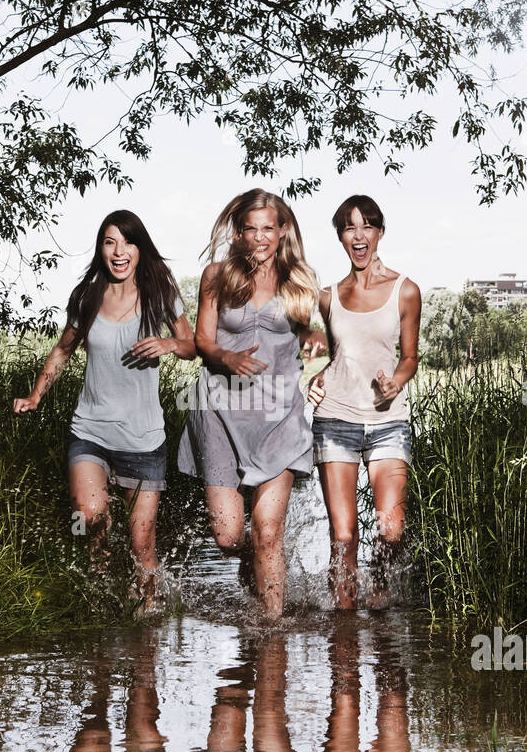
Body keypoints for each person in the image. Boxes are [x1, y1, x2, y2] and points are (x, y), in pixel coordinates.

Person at [14, 211, 195, 610]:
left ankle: (147, 622)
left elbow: (191, 345)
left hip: (143, 439)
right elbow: (63, 349)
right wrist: (36, 395)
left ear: (139, 249)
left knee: (141, 546)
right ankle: (101, 604)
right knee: (91, 515)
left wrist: (167, 344)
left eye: (127, 242)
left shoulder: (160, 293)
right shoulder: (87, 296)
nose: (119, 251)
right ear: (101, 249)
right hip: (91, 430)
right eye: (110, 242)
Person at [177, 188, 325, 619]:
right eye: (251, 229)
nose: (260, 238)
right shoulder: (216, 276)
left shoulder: (299, 280)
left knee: (267, 532)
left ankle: (271, 635)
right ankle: (249, 563)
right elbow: (202, 340)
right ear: (238, 233)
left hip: (280, 416)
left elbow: (303, 335)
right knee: (227, 536)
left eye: (268, 228)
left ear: (282, 230)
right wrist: (227, 357)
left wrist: (315, 338)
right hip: (220, 412)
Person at [307, 195, 421, 610]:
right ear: (341, 237)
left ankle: (378, 593)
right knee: (344, 536)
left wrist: (395, 382)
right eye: (349, 227)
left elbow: (410, 358)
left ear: (379, 233)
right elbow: (330, 352)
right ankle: (344, 622)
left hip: (389, 421)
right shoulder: (326, 296)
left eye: (367, 226)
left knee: (391, 530)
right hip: (335, 419)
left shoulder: (405, 291)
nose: (359, 235)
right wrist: (316, 378)